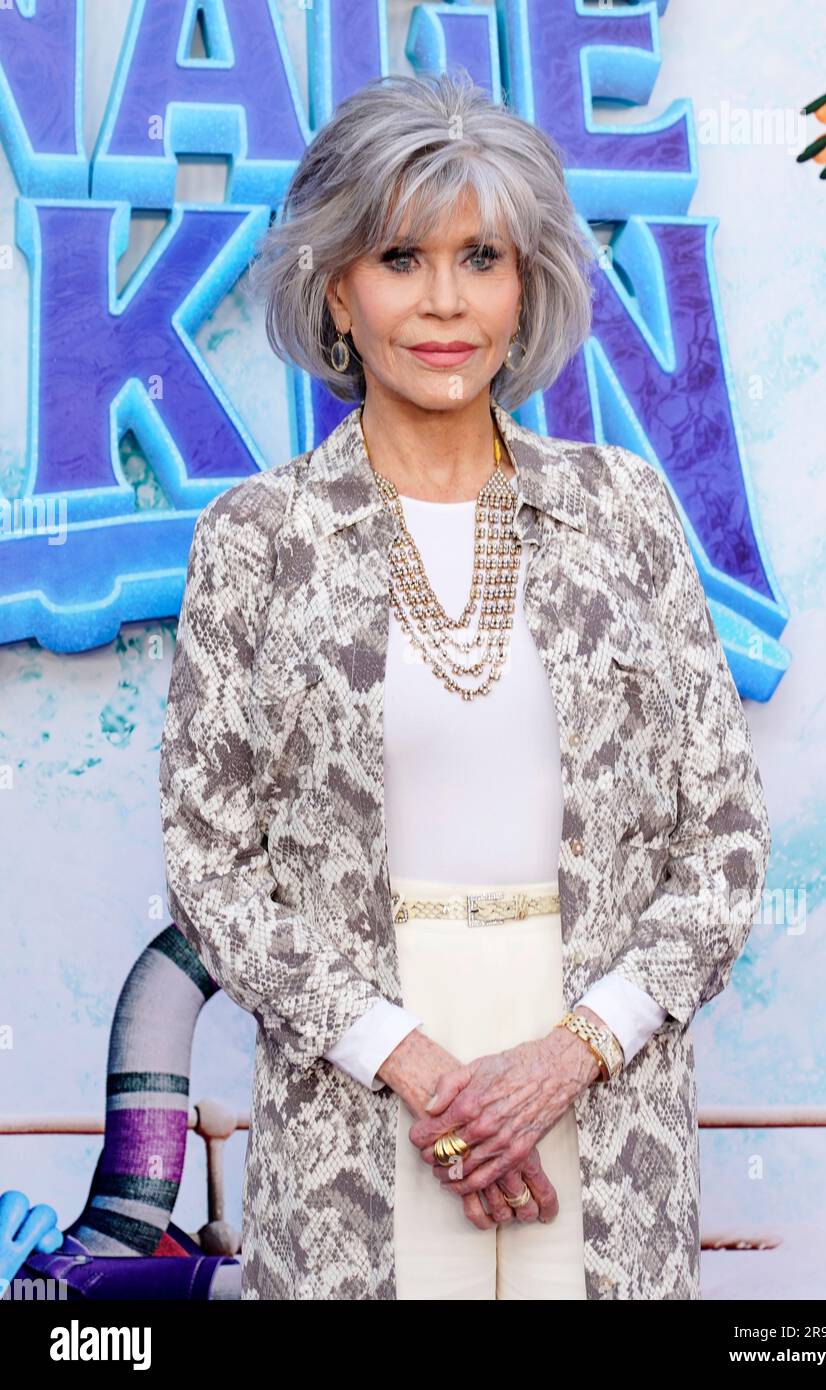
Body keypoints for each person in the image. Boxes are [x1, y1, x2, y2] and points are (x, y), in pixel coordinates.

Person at [158, 70, 772, 1300]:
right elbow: (207, 861)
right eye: (400, 257)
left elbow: (724, 842)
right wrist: (417, 1066)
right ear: (336, 282)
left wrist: (568, 1055)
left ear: (524, 283)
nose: (443, 303)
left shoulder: (624, 510)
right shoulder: (256, 537)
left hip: (602, 1097)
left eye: (480, 257)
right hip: (357, 1096)